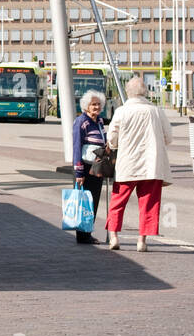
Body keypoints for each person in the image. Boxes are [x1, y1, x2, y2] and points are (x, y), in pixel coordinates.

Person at [105, 76, 173, 252]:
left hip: (127, 164)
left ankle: (113, 236)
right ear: (145, 92)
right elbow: (168, 137)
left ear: (128, 92)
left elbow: (112, 137)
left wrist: (115, 145)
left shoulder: (121, 111)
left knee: (118, 201)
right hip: (152, 165)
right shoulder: (156, 111)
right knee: (149, 204)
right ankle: (142, 240)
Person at [71, 89, 108, 244]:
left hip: (97, 167)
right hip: (85, 168)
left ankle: (87, 231)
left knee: (93, 201)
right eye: (93, 105)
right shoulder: (81, 121)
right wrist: (78, 172)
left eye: (99, 104)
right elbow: (77, 146)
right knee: (84, 201)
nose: (96, 107)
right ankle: (82, 234)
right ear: (86, 106)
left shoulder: (99, 121)